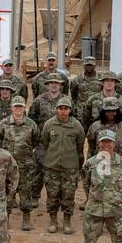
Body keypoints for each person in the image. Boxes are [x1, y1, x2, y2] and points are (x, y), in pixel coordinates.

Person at [39, 97, 86, 235]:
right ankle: (53, 221)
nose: (63, 111)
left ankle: (67, 222)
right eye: (60, 108)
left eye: (66, 108)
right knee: (52, 195)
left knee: (68, 196)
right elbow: (45, 143)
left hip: (69, 168)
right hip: (52, 167)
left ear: (70, 110)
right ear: (56, 109)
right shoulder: (49, 125)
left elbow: (80, 146)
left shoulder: (76, 126)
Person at [0, 96, 40, 231]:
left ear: (24, 108)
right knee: (7, 192)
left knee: (26, 192)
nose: (18, 109)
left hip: (26, 165)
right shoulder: (3, 124)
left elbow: (36, 141)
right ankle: (6, 219)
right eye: (16, 106)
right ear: (11, 108)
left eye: (20, 106)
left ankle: (26, 219)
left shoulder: (31, 124)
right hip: (7, 165)